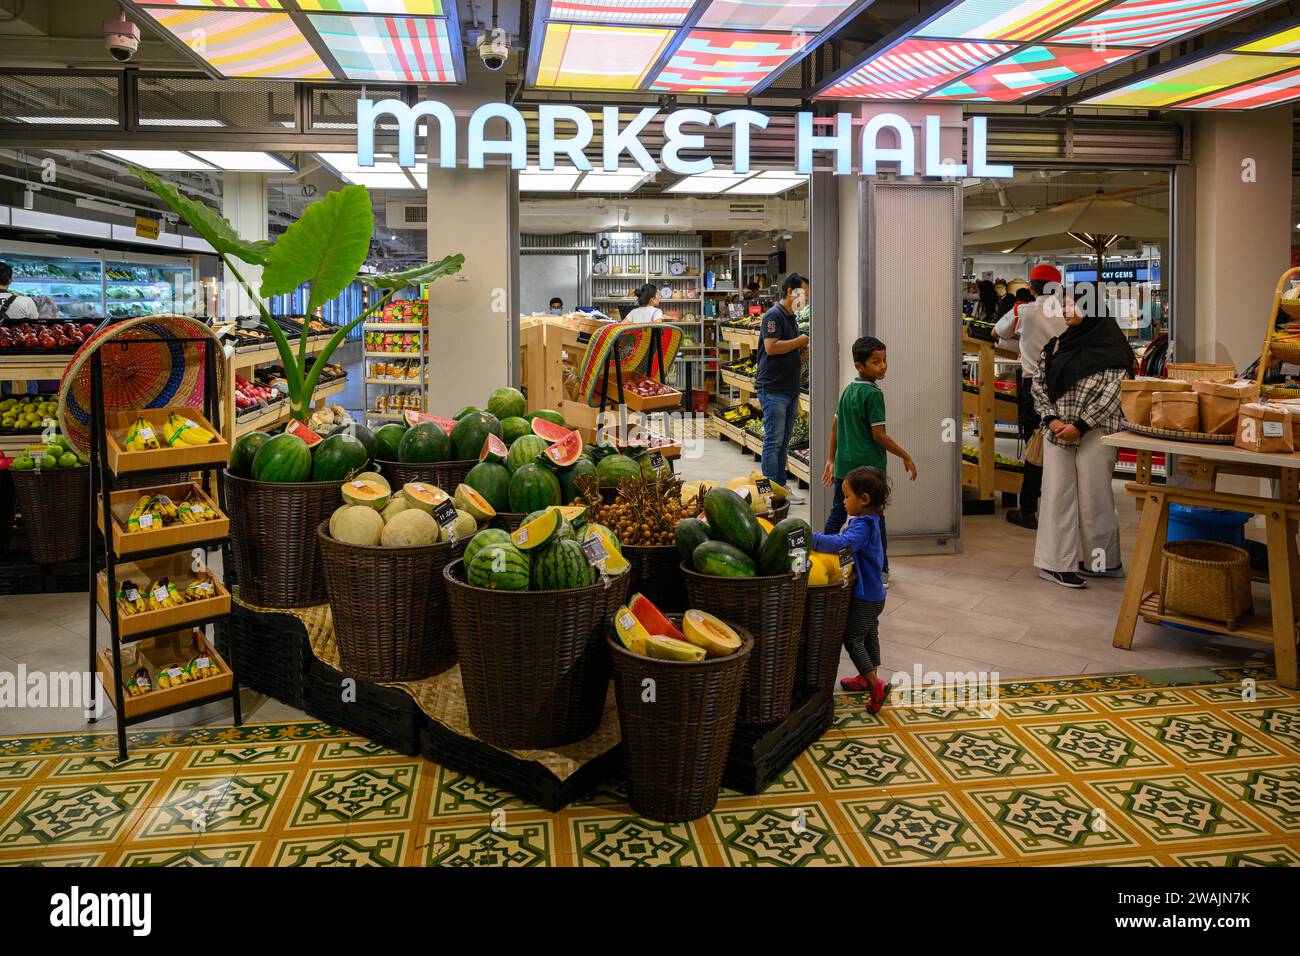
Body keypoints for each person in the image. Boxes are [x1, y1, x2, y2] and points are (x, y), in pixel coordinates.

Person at [1032, 300, 1134, 589]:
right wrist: (1051, 419)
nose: (1066, 311)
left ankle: (1101, 562)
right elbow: (1038, 384)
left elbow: (1114, 392)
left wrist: (1079, 426)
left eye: (1073, 306)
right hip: (1057, 432)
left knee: (1097, 497)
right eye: (1064, 306)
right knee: (1057, 496)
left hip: (1095, 432)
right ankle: (1055, 564)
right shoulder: (1056, 345)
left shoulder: (1114, 349)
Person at [822, 335, 916, 587]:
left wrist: (831, 459)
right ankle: (882, 569)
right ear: (859, 366)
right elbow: (879, 435)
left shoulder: (848, 390)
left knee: (837, 513)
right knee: (876, 519)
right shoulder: (873, 394)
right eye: (876, 362)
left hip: (844, 465)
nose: (883, 366)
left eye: (884, 360)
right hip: (868, 471)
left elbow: (834, 427)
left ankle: (821, 557)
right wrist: (905, 455)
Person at [813, 466, 892, 712]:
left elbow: (842, 543)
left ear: (864, 500)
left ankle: (873, 684)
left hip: (865, 596)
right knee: (869, 634)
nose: (844, 502)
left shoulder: (863, 526)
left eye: (847, 497)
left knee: (853, 638)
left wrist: (812, 538)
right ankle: (868, 676)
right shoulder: (872, 520)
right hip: (876, 594)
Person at [997, 264, 1067, 530]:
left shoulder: (1022, 310)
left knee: (1035, 444)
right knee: (1060, 444)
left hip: (1032, 385)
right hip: (1062, 384)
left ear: (1031, 287)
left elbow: (997, 332)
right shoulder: (1067, 310)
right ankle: (1057, 507)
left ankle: (1028, 510)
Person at [756, 273, 810, 504]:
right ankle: (769, 490)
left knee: (783, 440)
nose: (806, 299)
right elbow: (771, 347)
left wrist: (799, 350)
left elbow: (785, 347)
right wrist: (800, 342)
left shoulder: (791, 318)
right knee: (774, 440)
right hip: (773, 388)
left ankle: (781, 487)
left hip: (788, 388)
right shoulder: (774, 315)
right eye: (804, 294)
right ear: (791, 292)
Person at [993, 287, 1034, 354]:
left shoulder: (1016, 311)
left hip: (1019, 352)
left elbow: (994, 333)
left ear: (1017, 298)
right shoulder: (1040, 311)